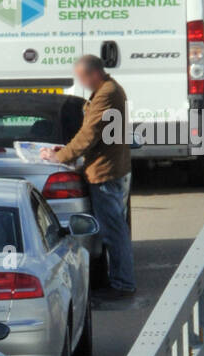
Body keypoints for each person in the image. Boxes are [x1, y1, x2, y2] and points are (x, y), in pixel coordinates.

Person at [40, 55, 134, 302]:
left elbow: (89, 134)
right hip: (107, 167)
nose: (81, 82)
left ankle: (123, 284)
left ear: (94, 74)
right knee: (115, 229)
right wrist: (65, 152)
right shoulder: (108, 90)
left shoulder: (106, 94)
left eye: (82, 77)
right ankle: (121, 281)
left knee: (114, 231)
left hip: (104, 171)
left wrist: (59, 157)